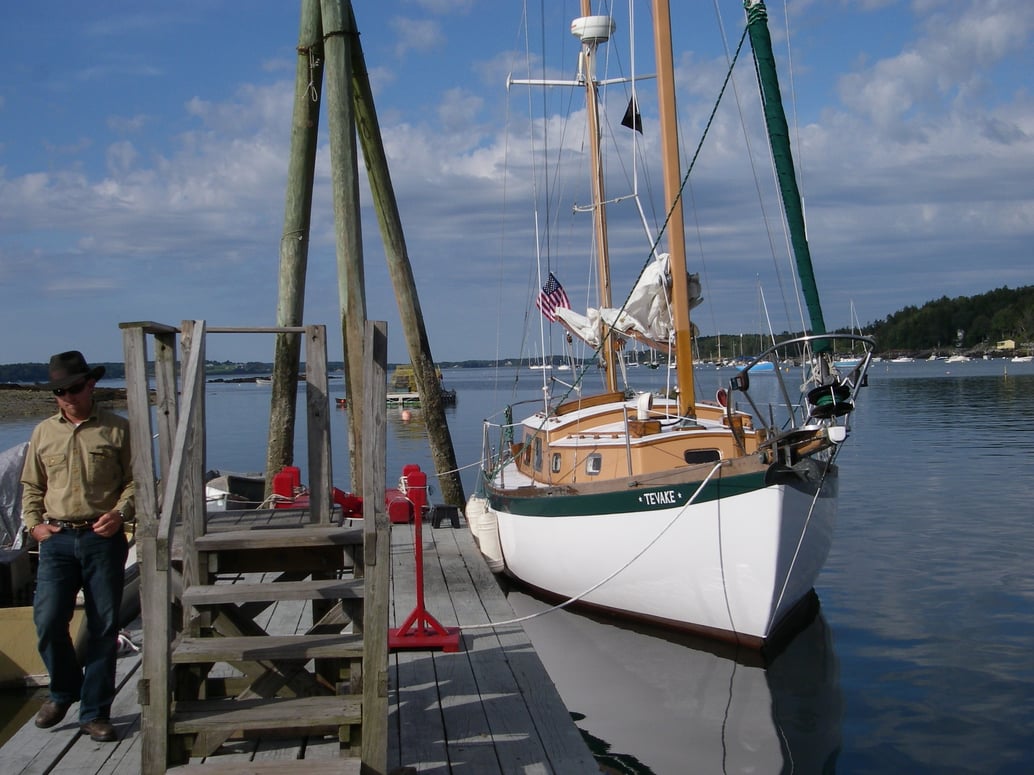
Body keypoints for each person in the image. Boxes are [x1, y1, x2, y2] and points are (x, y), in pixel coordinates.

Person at [21, 350, 135, 743]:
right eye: (58, 391)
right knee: (49, 621)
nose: (66, 396)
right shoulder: (42, 433)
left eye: (72, 388)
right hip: (56, 540)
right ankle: (64, 690)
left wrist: (120, 513)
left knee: (103, 627)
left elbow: (137, 481)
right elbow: (32, 485)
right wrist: (34, 525)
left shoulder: (119, 429)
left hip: (102, 538)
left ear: (90, 385)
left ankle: (95, 713)